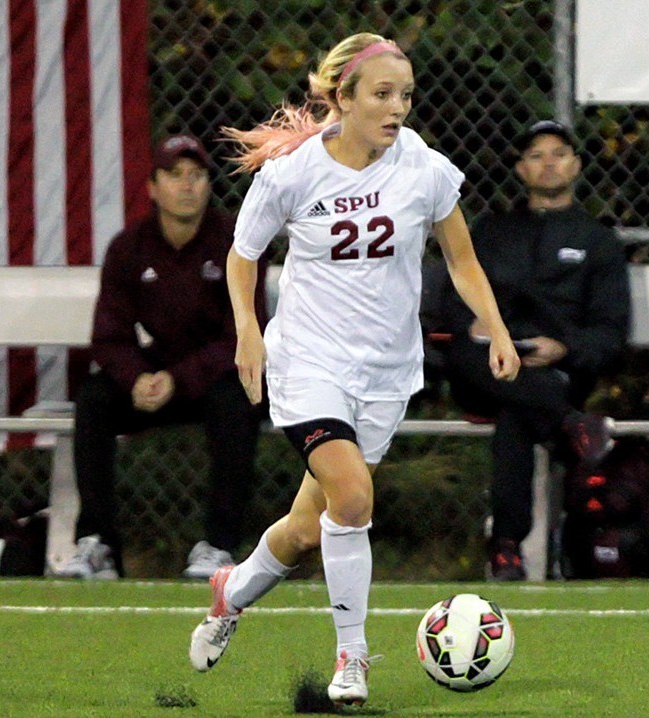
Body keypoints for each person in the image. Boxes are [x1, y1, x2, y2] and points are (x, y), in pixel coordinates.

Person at [186, 33, 520, 708]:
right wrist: (249, 332)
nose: (397, 108)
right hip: (309, 360)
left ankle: (233, 591)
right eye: (382, 95)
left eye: (405, 95)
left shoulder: (422, 166)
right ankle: (353, 656)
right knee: (356, 497)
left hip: (386, 373)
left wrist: (498, 328)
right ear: (342, 98)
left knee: (311, 527)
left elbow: (460, 260)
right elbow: (243, 256)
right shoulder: (294, 172)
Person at [58, 134, 266, 581]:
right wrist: (135, 378)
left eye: (196, 175)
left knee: (240, 400)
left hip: (216, 374)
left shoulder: (237, 242)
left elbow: (244, 333)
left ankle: (219, 545)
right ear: (152, 187)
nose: (187, 185)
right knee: (94, 398)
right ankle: (99, 546)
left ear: (209, 185)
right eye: (174, 175)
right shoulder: (129, 248)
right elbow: (108, 336)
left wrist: (179, 377)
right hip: (156, 376)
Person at [434, 119, 630, 581]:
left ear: (576, 164)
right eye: (536, 155)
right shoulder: (491, 231)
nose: (548, 163)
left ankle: (506, 546)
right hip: (485, 366)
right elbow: (453, 305)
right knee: (469, 349)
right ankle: (572, 425)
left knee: (517, 415)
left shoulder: (597, 241)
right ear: (521, 169)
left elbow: (610, 332)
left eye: (558, 153)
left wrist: (563, 348)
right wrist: (484, 327)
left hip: (553, 373)